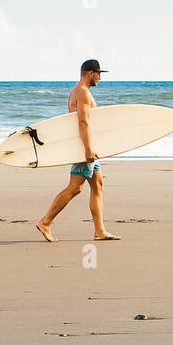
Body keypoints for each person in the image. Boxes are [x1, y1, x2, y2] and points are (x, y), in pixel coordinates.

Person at [36, 59, 121, 243]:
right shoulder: (82, 92)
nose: (100, 78)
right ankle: (45, 222)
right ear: (90, 73)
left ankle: (99, 231)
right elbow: (83, 122)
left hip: (89, 147)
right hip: (85, 148)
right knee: (75, 188)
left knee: (97, 185)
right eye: (99, 73)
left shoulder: (78, 90)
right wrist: (88, 150)